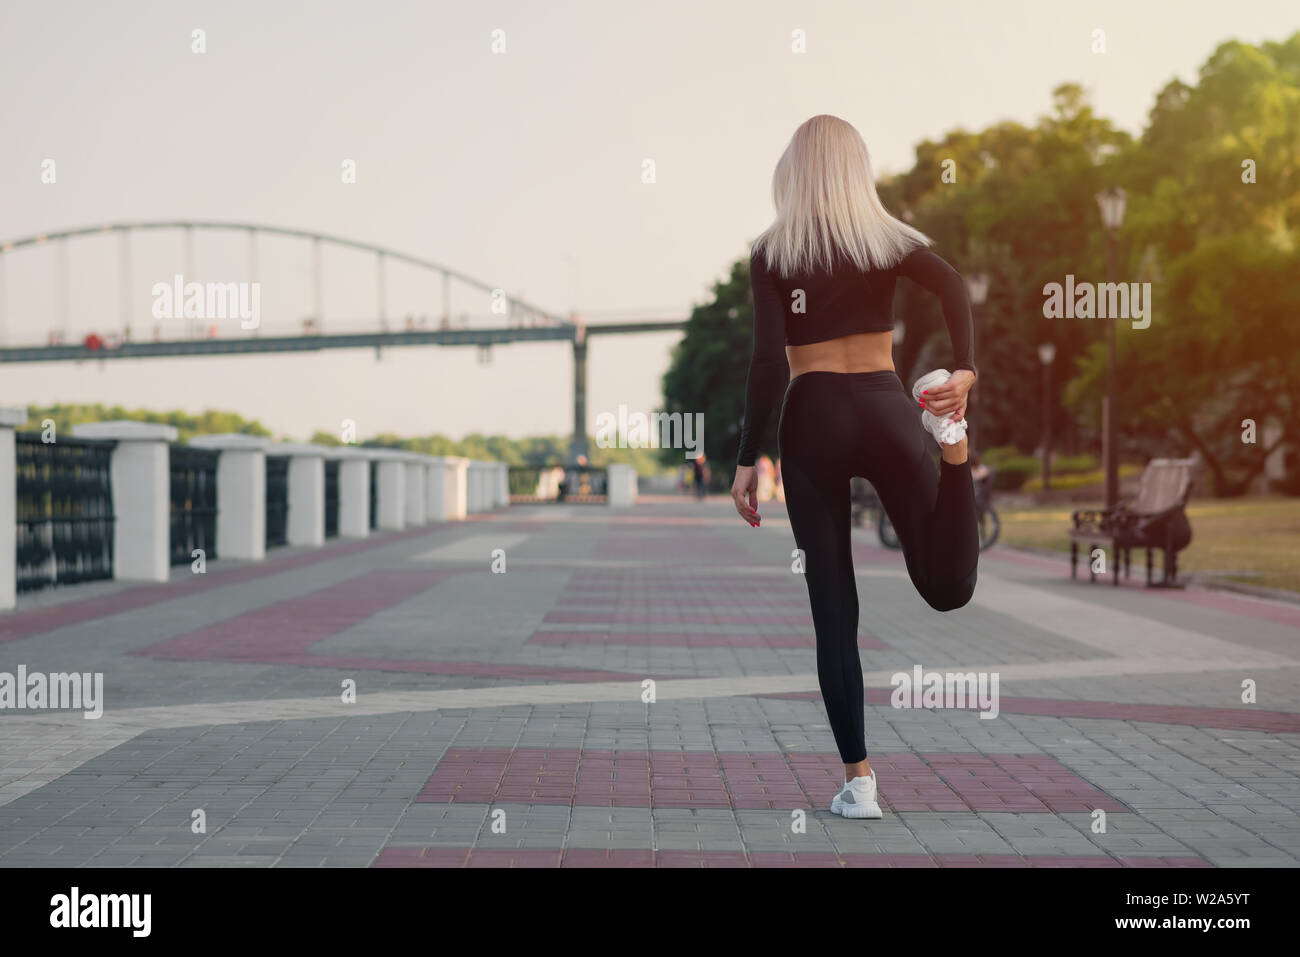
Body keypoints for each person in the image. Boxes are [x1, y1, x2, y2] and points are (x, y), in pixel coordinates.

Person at [730, 115, 980, 820]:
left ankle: (860, 781)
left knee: (833, 612)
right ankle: (955, 445)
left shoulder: (772, 252)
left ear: (794, 170)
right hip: (885, 407)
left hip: (813, 418)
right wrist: (964, 368)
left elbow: (763, 364)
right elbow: (954, 286)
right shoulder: (887, 240)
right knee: (945, 585)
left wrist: (748, 458)